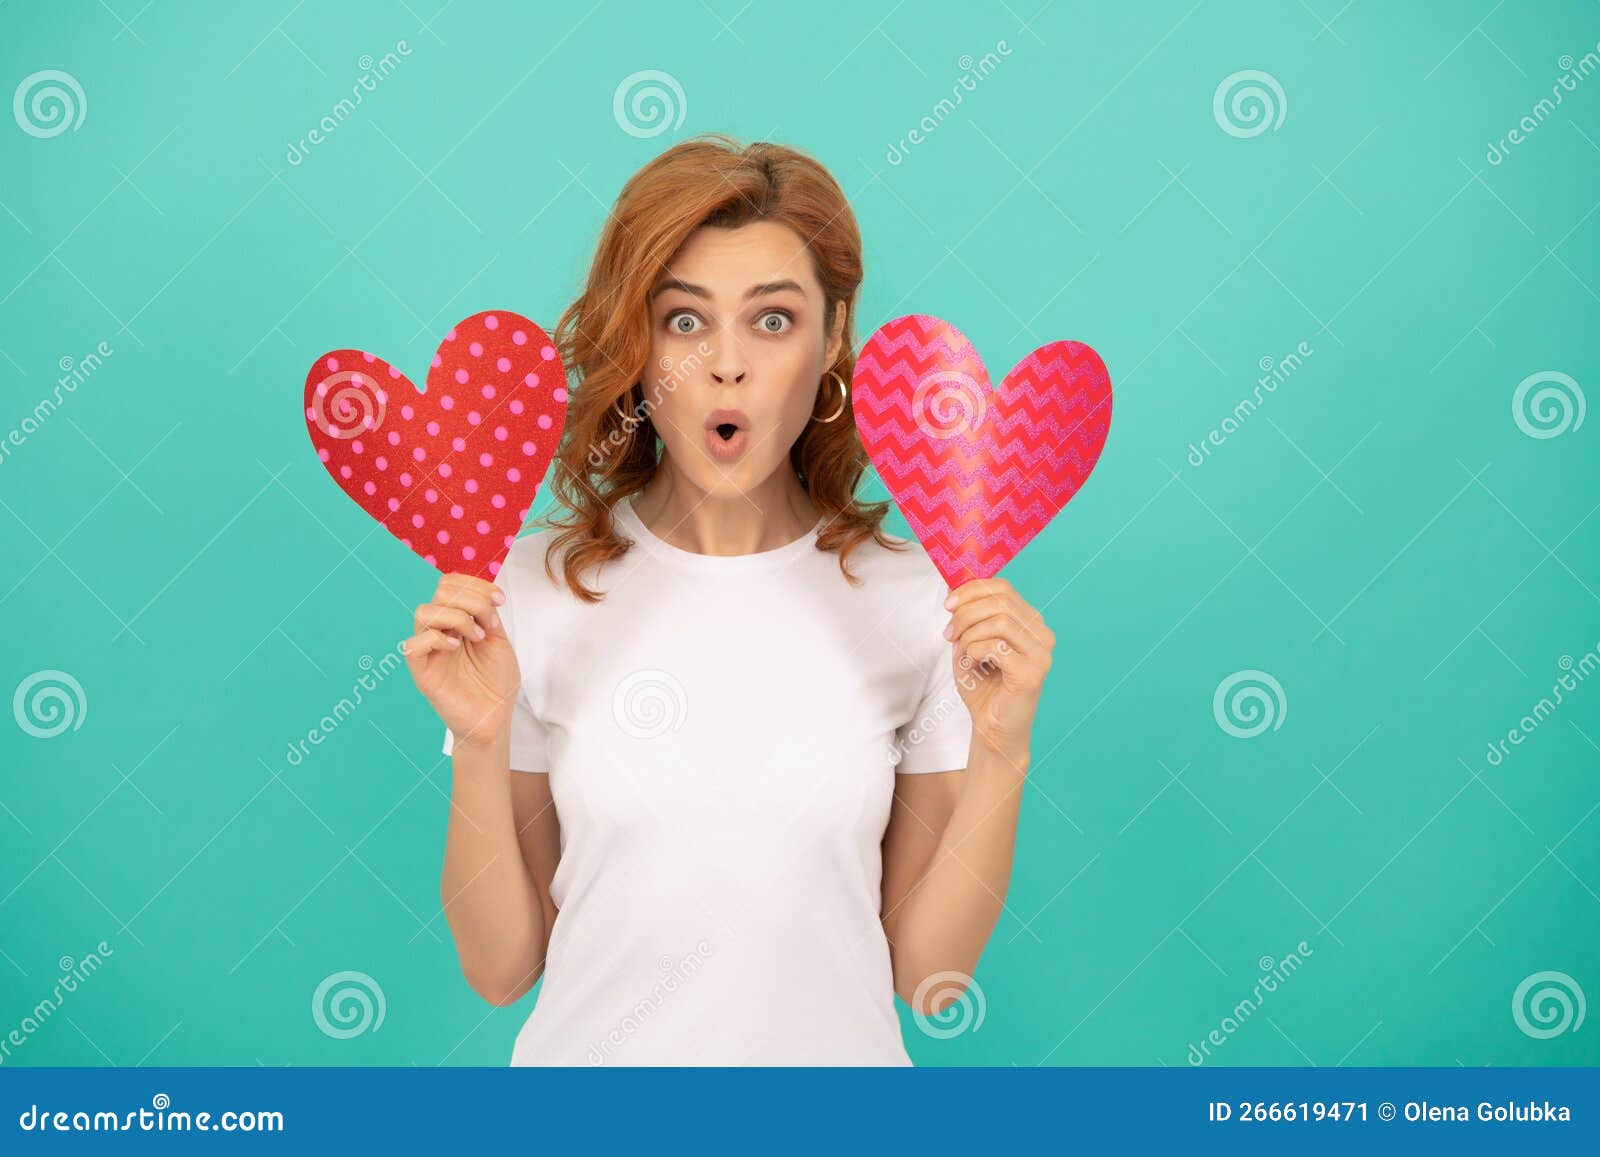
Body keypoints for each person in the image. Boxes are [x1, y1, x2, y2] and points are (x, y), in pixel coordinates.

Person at [402, 133, 1055, 1065]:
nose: (727, 365)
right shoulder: (530, 591)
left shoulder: (926, 606)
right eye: (684, 320)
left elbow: (926, 974)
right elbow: (500, 969)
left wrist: (1004, 753)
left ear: (833, 339)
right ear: (638, 344)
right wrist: (479, 738)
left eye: (774, 320)